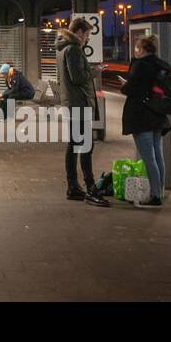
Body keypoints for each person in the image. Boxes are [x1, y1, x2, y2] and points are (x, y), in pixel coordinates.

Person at [58, 18, 108, 206]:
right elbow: (78, 78)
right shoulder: (73, 50)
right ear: (79, 32)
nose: (87, 39)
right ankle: (90, 189)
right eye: (86, 35)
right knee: (86, 146)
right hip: (79, 104)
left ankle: (73, 187)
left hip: (72, 103)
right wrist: (95, 71)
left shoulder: (63, 49)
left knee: (74, 145)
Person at [121, 34, 171, 209]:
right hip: (158, 116)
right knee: (158, 155)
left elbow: (129, 88)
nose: (135, 51)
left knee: (148, 157)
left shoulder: (140, 65)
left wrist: (125, 83)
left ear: (142, 50)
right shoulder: (163, 65)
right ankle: (160, 191)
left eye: (137, 48)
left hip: (141, 116)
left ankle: (155, 196)